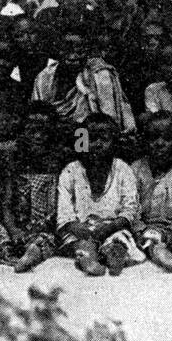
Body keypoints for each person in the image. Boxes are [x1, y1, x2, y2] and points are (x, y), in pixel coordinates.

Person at [56, 112, 141, 276]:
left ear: (114, 143)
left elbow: (130, 208)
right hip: (79, 229)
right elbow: (64, 210)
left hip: (112, 227)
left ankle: (114, 254)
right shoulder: (71, 170)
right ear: (81, 141)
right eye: (91, 139)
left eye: (104, 139)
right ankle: (87, 257)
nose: (97, 144)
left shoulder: (123, 169)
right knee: (79, 243)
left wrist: (111, 226)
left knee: (119, 239)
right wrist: (79, 228)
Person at [0, 105, 63, 272]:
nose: (38, 137)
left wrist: (44, 226)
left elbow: (60, 207)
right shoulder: (15, 165)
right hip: (17, 225)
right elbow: (6, 205)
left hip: (43, 227)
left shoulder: (58, 165)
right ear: (22, 133)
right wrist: (13, 230)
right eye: (32, 131)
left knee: (42, 242)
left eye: (44, 132)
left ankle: (29, 257)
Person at [31, 26, 134, 135]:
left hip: (88, 137)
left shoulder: (100, 75)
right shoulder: (45, 77)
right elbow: (36, 116)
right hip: (52, 137)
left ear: (88, 51)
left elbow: (110, 119)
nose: (72, 56)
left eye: (79, 49)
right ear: (57, 49)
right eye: (66, 48)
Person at [131, 110, 172, 272]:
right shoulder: (136, 169)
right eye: (153, 138)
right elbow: (131, 206)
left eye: (167, 138)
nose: (159, 143)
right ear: (145, 140)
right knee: (149, 240)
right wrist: (140, 229)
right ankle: (157, 251)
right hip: (148, 227)